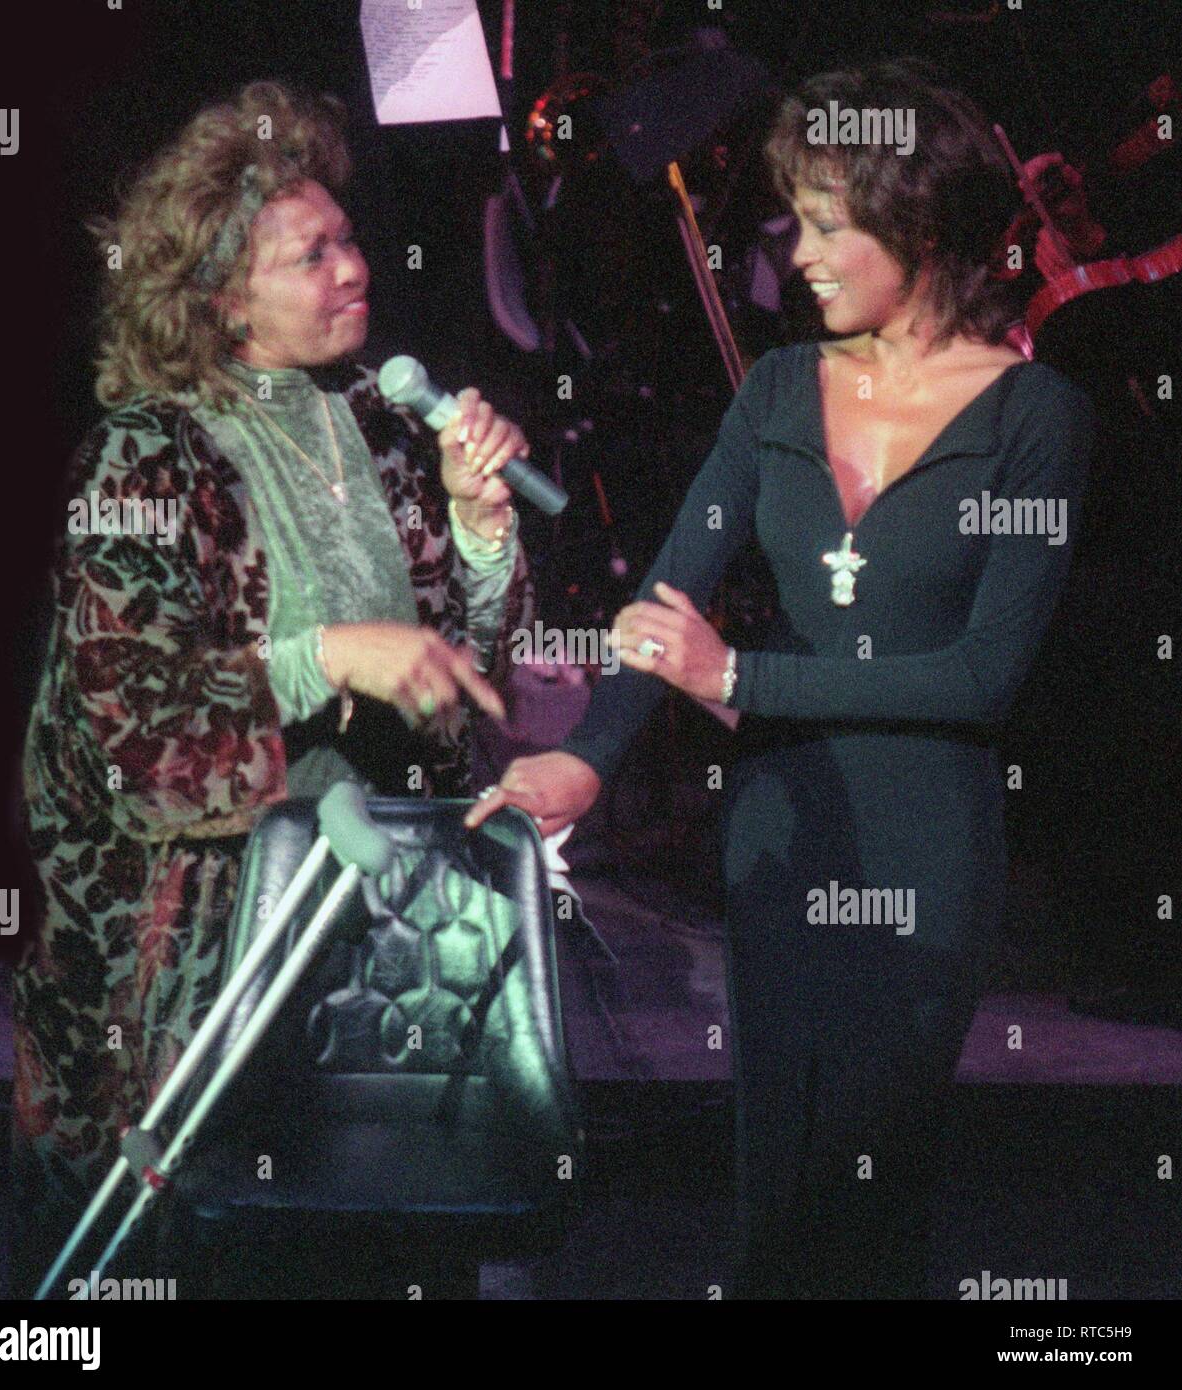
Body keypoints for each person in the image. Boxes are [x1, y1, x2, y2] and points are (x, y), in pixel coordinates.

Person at [466, 59, 1096, 1298]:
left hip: (919, 851)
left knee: (868, 1203)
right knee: (773, 1209)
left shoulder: (1037, 415)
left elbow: (979, 677)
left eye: (823, 221)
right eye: (791, 219)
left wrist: (744, 676)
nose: (794, 252)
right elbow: (666, 602)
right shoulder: (773, 391)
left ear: (913, 222)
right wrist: (586, 760)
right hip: (780, 841)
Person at [13, 79, 535, 1297]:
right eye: (313, 255)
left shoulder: (381, 429)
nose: (354, 267)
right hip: (206, 954)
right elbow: (131, 725)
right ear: (219, 297)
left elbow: (464, 692)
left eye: (348, 239)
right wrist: (326, 659)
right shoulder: (150, 452)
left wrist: (477, 534)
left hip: (371, 933)